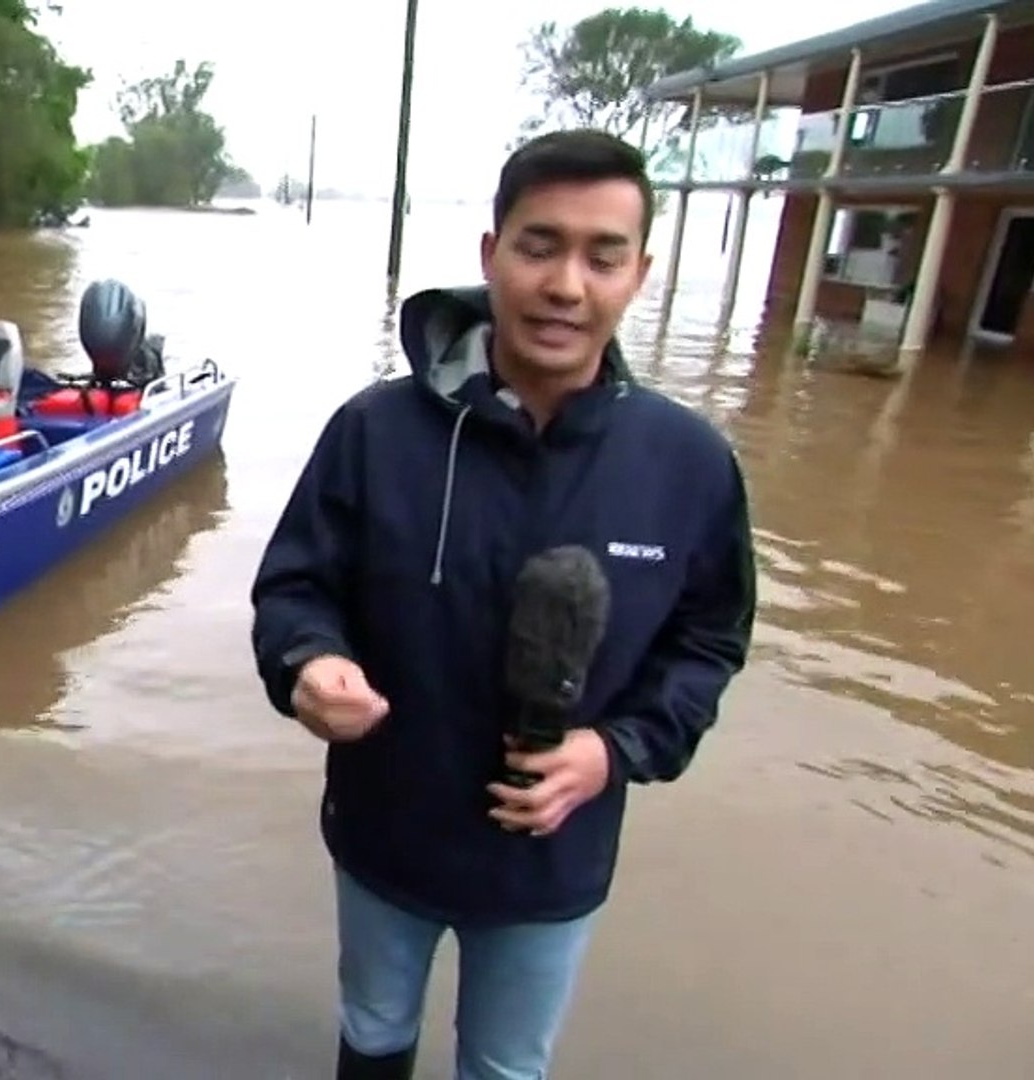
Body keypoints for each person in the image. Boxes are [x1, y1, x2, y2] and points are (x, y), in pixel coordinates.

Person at [248, 130, 757, 1080]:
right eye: (539, 245)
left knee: (506, 1065)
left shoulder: (688, 465)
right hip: (385, 831)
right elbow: (294, 587)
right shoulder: (374, 430)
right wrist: (309, 662)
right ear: (491, 254)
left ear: (640, 275)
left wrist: (616, 751)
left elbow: (710, 640)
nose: (566, 285)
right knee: (372, 1028)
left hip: (552, 859)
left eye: (602, 256)